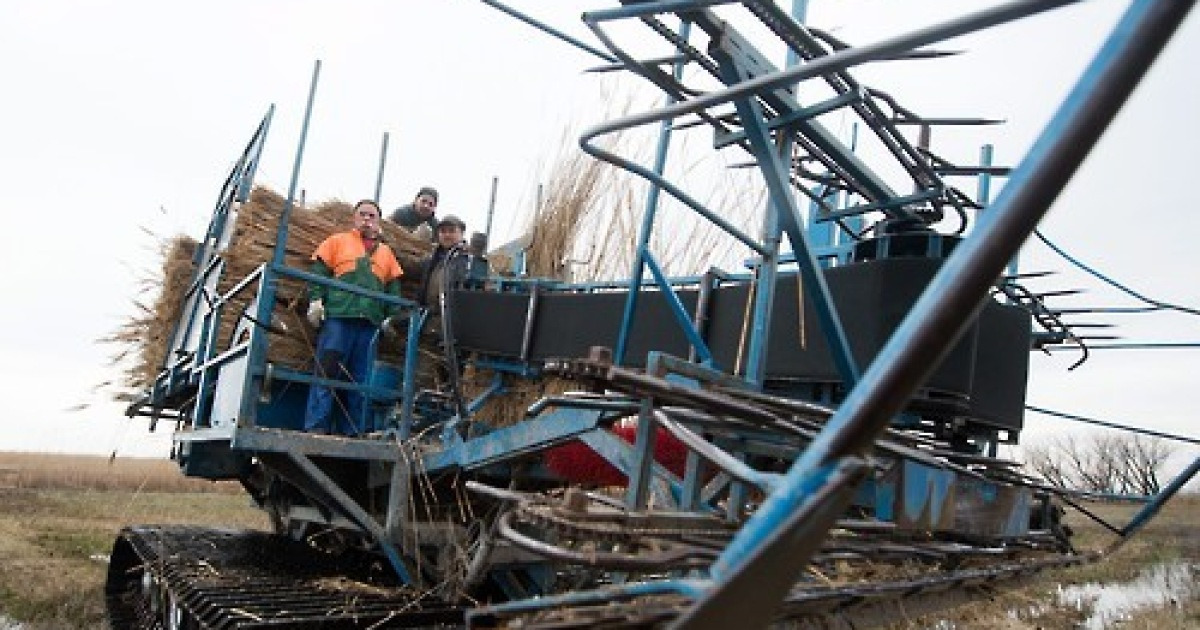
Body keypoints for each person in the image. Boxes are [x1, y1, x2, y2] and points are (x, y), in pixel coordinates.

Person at [304, 200, 404, 435]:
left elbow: (393, 289)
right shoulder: (337, 241)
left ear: (379, 222)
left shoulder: (386, 253)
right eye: (363, 214)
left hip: (369, 324)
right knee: (328, 371)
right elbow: (319, 273)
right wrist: (316, 301)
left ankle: (354, 430)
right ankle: (317, 426)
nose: (367, 219)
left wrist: (390, 317)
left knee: (361, 379)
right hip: (339, 317)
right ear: (354, 218)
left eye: (372, 216)